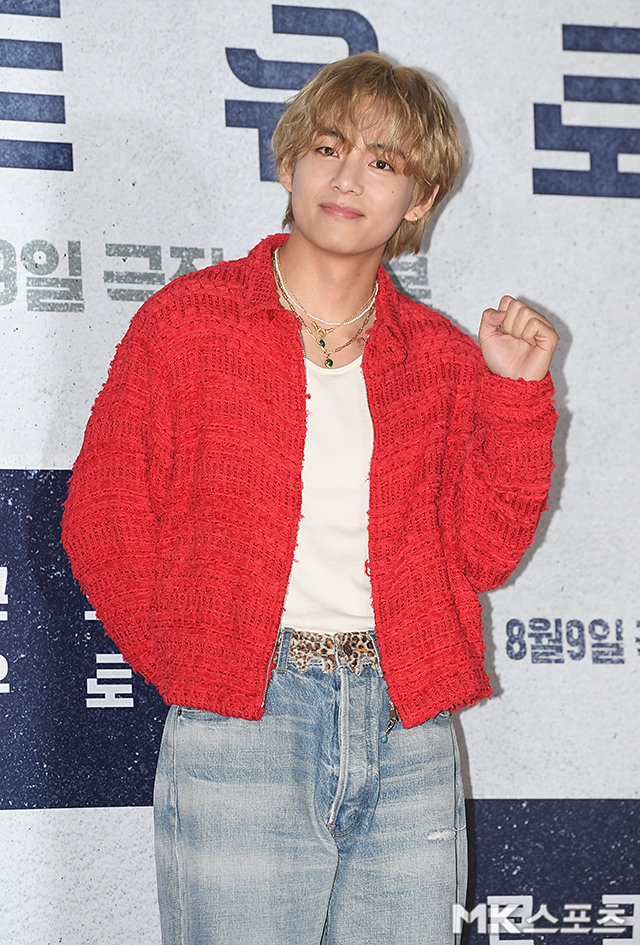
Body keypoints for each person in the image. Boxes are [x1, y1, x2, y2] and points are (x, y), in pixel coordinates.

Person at [61, 52, 558, 945]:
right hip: (245, 714)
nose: (348, 177)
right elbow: (103, 518)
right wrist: (202, 667)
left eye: (383, 161)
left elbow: (484, 553)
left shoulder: (442, 359)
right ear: (289, 163)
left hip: (407, 725)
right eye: (330, 147)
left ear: (419, 200)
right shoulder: (189, 325)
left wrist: (515, 396)